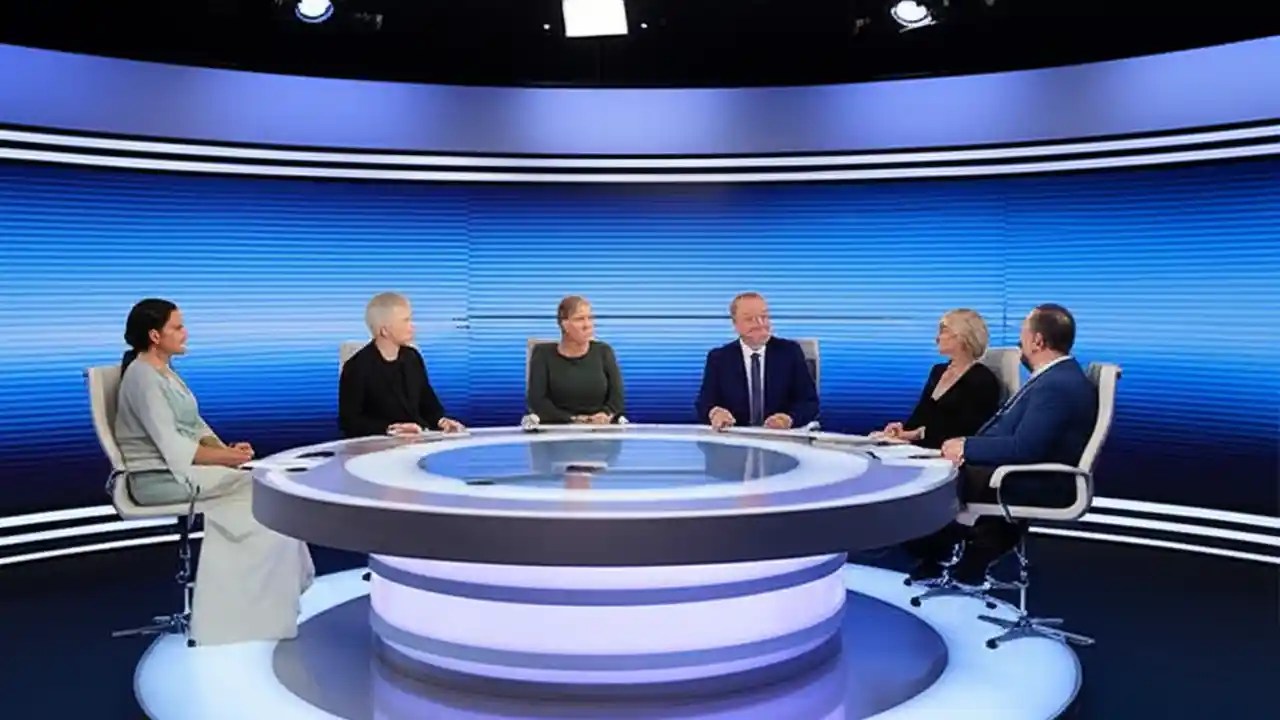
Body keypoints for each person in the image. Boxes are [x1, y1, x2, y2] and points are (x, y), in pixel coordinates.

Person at [113, 298, 314, 646]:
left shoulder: (164, 371)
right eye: (177, 326)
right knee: (265, 499)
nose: (185, 332)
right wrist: (225, 461)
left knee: (272, 492)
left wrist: (226, 450)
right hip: (158, 479)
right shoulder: (143, 378)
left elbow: (194, 424)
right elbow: (173, 446)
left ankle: (266, 609)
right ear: (154, 335)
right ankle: (235, 619)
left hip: (179, 468)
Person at [906, 304, 1098, 585]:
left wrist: (967, 448)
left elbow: (1025, 449)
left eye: (1022, 335)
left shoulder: (1056, 385)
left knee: (932, 483)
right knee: (938, 477)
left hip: (1036, 481)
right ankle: (968, 557)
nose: (1018, 343)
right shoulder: (1055, 377)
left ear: (1037, 341)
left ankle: (952, 553)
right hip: (1019, 471)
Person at [339, 292, 465, 438]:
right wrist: (389, 429)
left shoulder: (413, 357)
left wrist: (441, 421)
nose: (412, 326)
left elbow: (427, 402)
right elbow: (349, 421)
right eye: (406, 321)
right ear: (384, 331)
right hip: (380, 448)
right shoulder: (356, 368)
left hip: (418, 442)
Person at [878, 309, 1001, 449]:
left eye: (944, 331)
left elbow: (965, 431)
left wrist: (916, 435)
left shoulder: (982, 380)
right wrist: (900, 432)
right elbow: (920, 418)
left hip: (948, 457)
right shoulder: (938, 371)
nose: (937, 338)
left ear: (962, 337)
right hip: (918, 450)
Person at [695, 292, 819, 430]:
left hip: (781, 439)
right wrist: (715, 413)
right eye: (750, 319)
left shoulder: (790, 352)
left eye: (764, 317)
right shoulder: (719, 358)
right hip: (736, 441)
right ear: (735, 324)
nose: (760, 324)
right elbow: (704, 403)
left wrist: (789, 419)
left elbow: (809, 402)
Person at [527, 295, 625, 424]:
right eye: (580, 319)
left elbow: (617, 399)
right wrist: (573, 419)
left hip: (601, 431)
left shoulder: (604, 352)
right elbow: (537, 402)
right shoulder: (542, 354)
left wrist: (605, 414)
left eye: (590, 318)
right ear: (564, 324)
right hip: (557, 432)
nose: (587, 325)